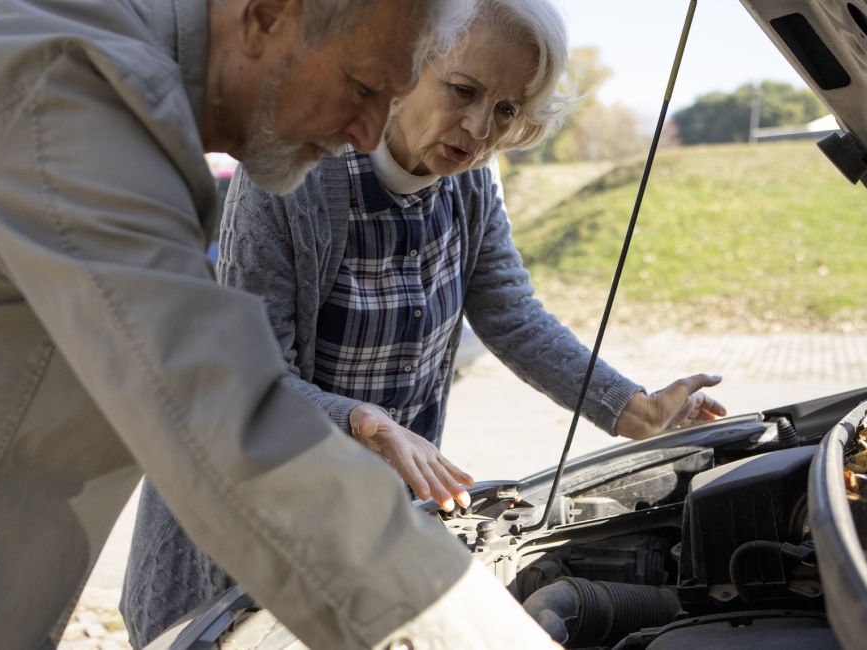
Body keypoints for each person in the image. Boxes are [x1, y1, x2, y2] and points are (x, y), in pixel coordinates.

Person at [0, 0, 566, 648]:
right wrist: (477, 633)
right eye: (365, 88)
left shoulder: (111, 74)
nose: (368, 131)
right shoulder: (74, 98)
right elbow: (225, 428)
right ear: (269, 16)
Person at [122, 0, 726, 643]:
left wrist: (630, 408)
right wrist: (361, 423)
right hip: (240, 527)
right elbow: (248, 381)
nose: (478, 126)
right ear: (409, 61)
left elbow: (514, 318)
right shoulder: (291, 175)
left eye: (506, 110)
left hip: (359, 528)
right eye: (463, 90)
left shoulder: (472, 186)